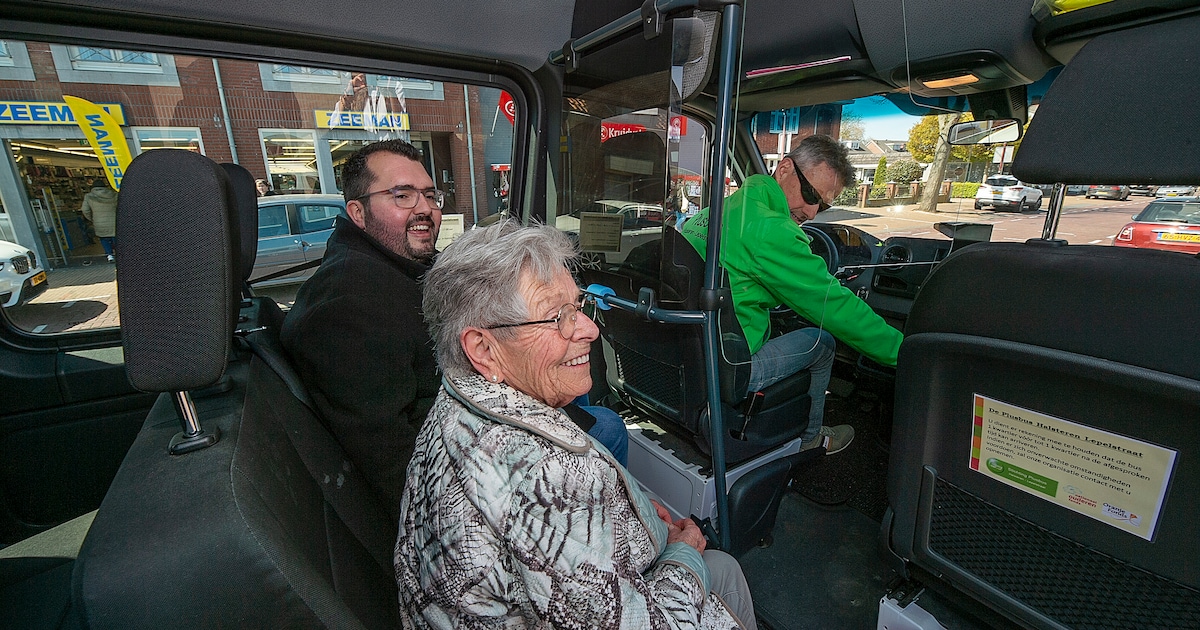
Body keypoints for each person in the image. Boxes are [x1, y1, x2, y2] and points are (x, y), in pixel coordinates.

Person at [397, 221, 755, 629]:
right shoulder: (546, 475)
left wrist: (632, 510)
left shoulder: (455, 398)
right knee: (721, 567)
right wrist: (684, 552)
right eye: (557, 317)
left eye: (578, 307)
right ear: (483, 348)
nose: (589, 329)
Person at [281, 139, 625, 523]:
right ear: (358, 212)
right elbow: (392, 461)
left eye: (430, 195)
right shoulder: (347, 307)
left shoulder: (400, 264)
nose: (424, 209)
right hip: (469, 461)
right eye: (402, 196)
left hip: (477, 411)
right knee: (608, 426)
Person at [681, 134, 902, 456]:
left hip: (690, 354)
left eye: (823, 205)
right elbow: (834, 307)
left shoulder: (718, 210)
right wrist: (904, 353)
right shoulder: (773, 231)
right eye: (810, 194)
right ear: (784, 168)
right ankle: (811, 439)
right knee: (822, 342)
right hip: (730, 365)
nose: (812, 212)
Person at [80, 178, 118, 262]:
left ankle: (109, 255)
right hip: (114, 221)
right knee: (116, 238)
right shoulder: (114, 194)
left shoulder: (89, 196)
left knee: (104, 238)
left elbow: (85, 210)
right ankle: (119, 254)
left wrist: (92, 218)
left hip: (99, 222)